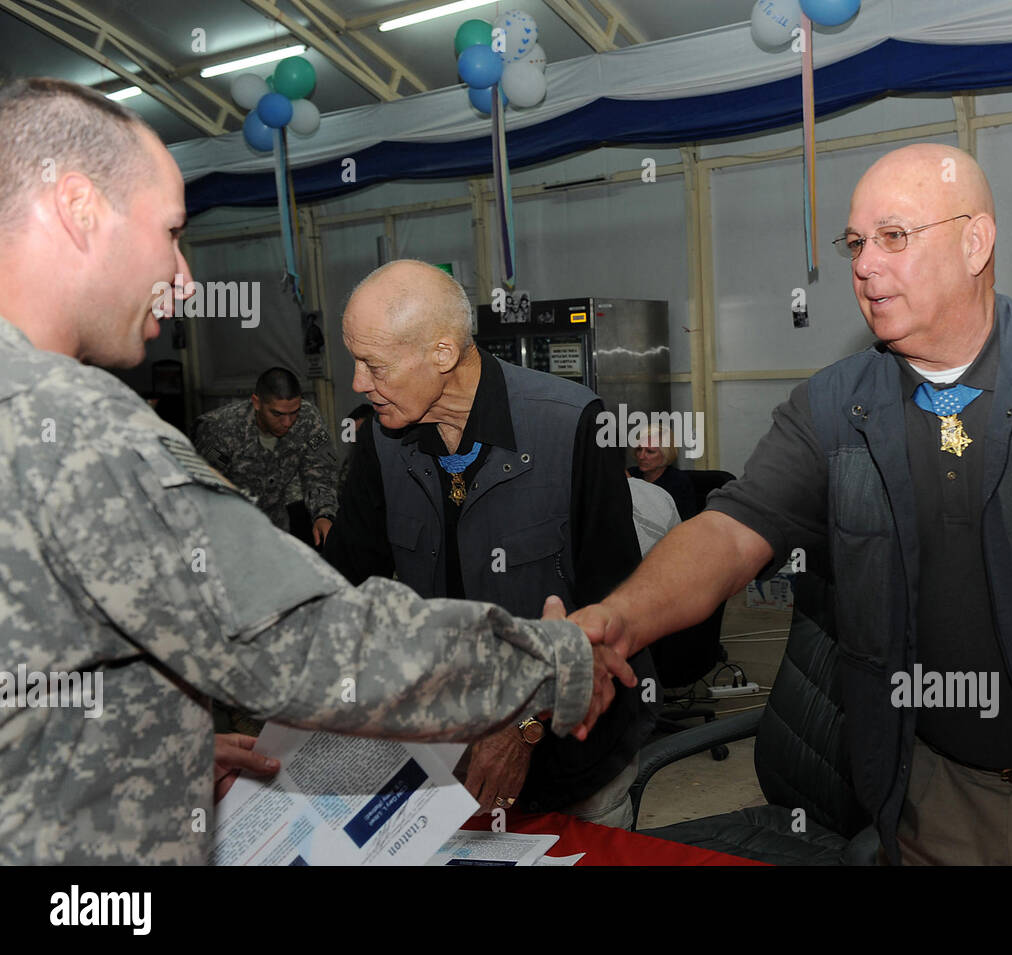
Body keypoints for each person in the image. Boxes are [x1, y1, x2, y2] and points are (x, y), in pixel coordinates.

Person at [569, 143, 1012, 866]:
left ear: (975, 241)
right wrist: (618, 619)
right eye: (856, 242)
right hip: (941, 811)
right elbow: (727, 535)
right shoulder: (832, 410)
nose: (862, 264)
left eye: (893, 237)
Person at [0, 76, 633, 865]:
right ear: (78, 209)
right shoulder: (73, 426)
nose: (186, 276)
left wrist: (162, 745)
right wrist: (552, 659)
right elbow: (304, 636)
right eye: (169, 231)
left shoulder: (568, 424)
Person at [324, 261, 654, 828]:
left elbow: (615, 617)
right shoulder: (381, 440)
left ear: (443, 353)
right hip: (448, 752)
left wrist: (524, 727)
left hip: (573, 756)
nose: (356, 383)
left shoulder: (572, 426)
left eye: (373, 365)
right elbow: (344, 589)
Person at [193, 366, 338, 547]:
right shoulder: (220, 429)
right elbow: (206, 488)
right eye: (277, 414)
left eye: (294, 412)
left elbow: (320, 471)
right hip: (229, 530)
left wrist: (324, 514)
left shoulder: (308, 419)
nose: (287, 423)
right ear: (256, 402)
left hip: (277, 528)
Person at [629, 423, 697, 520]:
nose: (641, 456)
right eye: (639, 449)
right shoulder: (631, 474)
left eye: (650, 451)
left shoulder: (678, 482)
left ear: (666, 453)